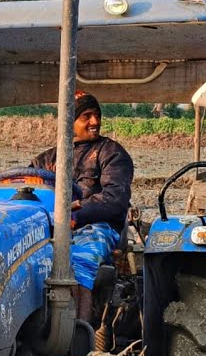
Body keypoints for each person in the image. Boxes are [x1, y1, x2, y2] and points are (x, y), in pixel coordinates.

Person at [29, 92, 134, 322]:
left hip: (97, 227)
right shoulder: (44, 160)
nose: (95, 121)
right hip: (53, 227)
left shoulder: (112, 153)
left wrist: (76, 211)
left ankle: (78, 334)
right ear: (69, 122)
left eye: (97, 115)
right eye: (86, 116)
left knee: (75, 261)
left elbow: (115, 199)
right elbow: (22, 190)